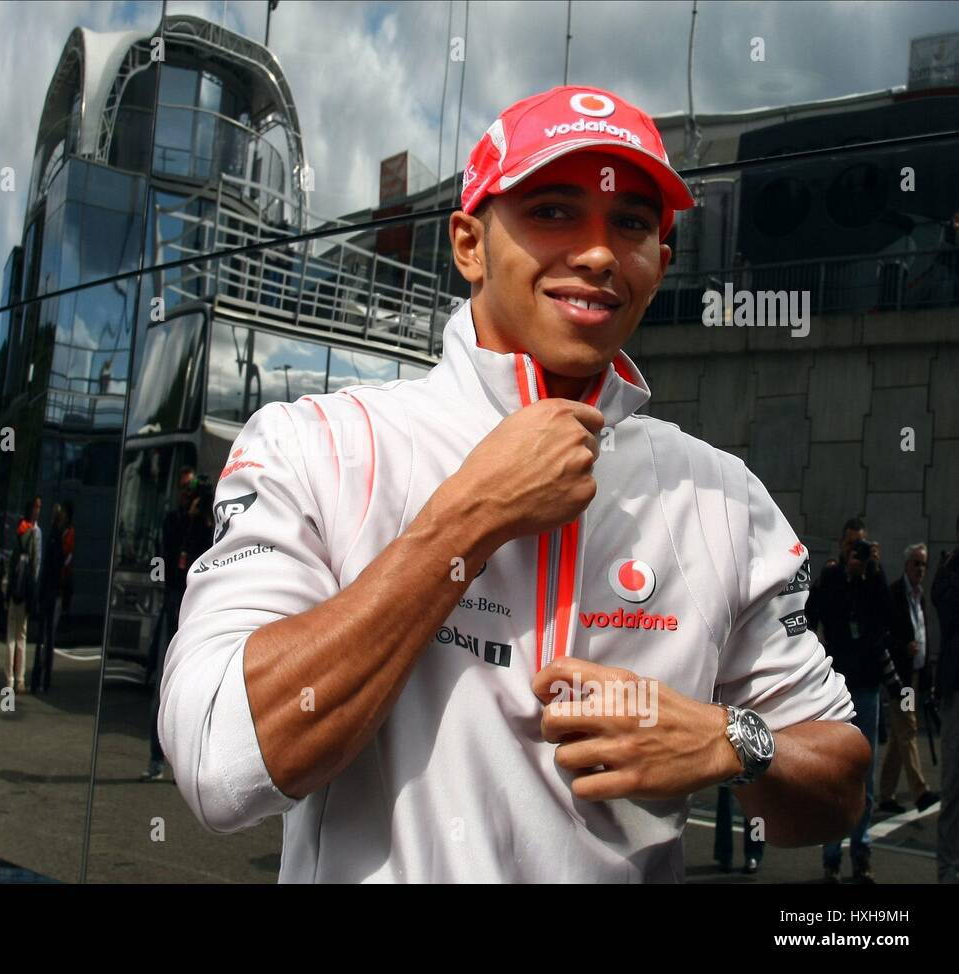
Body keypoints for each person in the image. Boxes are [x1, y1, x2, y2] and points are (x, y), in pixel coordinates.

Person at [158, 86, 867, 883]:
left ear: (660, 264)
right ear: (469, 243)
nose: (599, 253)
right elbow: (219, 765)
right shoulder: (317, 444)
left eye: (631, 223)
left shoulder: (723, 497)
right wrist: (467, 518)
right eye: (554, 211)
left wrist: (731, 739)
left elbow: (840, 780)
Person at [806, 538, 901, 882]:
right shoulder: (832, 581)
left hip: (867, 688)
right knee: (835, 773)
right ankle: (831, 856)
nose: (857, 558)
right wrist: (840, 577)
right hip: (837, 686)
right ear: (843, 552)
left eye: (862, 553)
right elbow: (813, 616)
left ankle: (861, 853)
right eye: (852, 551)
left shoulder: (873, 584)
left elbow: (886, 621)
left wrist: (875, 574)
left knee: (866, 776)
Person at [142, 469, 213, 781]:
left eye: (190, 489)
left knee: (197, 687)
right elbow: (169, 553)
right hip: (174, 602)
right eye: (184, 489)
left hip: (197, 608)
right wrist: (189, 519)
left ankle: (189, 764)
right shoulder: (173, 519)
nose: (187, 494)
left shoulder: (203, 522)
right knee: (163, 682)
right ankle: (157, 759)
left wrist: (201, 518)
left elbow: (211, 552)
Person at [880, 543, 940, 814]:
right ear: (906, 565)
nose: (920, 569)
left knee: (898, 738)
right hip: (900, 677)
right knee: (908, 729)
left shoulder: (920, 596)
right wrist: (903, 647)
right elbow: (884, 635)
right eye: (915, 563)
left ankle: (886, 794)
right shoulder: (895, 594)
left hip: (916, 676)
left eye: (923, 564)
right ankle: (920, 791)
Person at [932, 517, 959, 883]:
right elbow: (945, 607)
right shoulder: (949, 570)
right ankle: (947, 869)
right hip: (956, 690)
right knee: (953, 784)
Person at [6, 496, 42, 694]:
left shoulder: (19, 530)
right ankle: (19, 678)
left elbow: (12, 560)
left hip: (15, 589)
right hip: (26, 590)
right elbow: (36, 566)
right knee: (21, 635)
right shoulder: (35, 534)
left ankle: (9, 678)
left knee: (12, 634)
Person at [31, 502, 66, 695]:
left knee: (42, 637)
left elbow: (46, 568)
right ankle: (45, 679)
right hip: (55, 592)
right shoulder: (61, 537)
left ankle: (38, 678)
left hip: (48, 593)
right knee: (49, 637)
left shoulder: (52, 536)